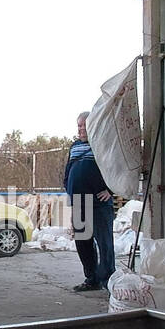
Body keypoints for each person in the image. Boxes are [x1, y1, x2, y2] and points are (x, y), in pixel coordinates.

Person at [65, 112, 115, 292]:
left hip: (98, 203)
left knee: (104, 243)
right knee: (83, 243)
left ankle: (108, 280)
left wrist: (110, 191)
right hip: (79, 202)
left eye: (84, 126)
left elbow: (116, 170)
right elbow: (68, 171)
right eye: (78, 126)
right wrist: (69, 190)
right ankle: (91, 279)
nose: (81, 129)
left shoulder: (102, 145)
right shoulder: (74, 147)